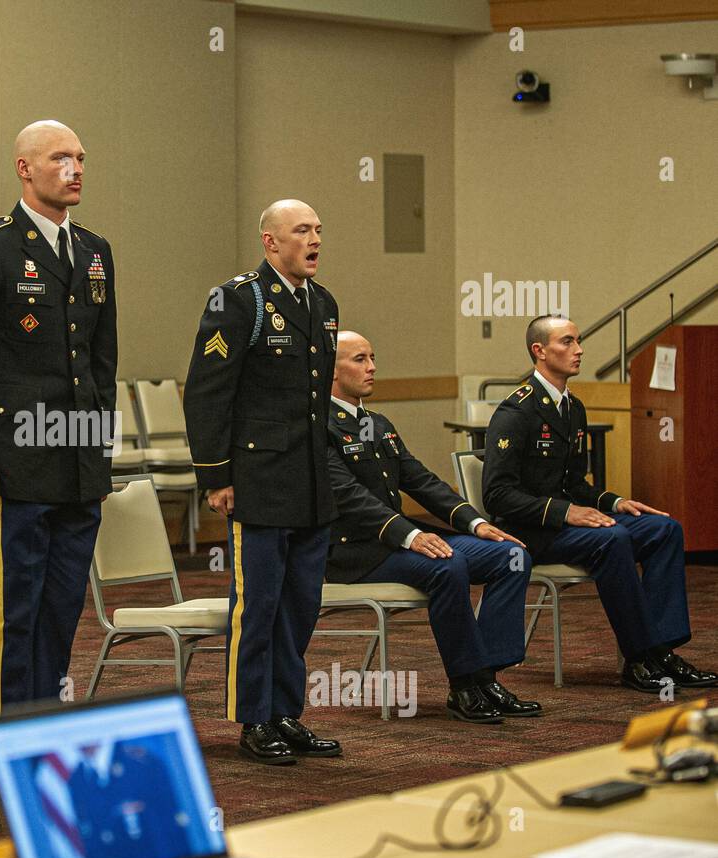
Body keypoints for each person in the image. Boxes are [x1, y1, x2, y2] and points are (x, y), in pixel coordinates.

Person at [0, 121, 118, 715]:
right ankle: (12, 738)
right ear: (25, 169)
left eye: (81, 158)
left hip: (78, 463)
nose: (76, 168)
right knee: (19, 609)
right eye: (61, 158)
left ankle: (47, 726)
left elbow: (101, 362)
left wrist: (99, 445)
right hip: (17, 464)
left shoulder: (93, 250)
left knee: (63, 609)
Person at [182, 199, 341, 765]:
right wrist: (215, 475)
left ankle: (286, 712)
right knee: (259, 607)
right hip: (259, 479)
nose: (314, 240)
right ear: (271, 242)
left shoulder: (322, 303)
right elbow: (207, 390)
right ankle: (254, 717)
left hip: (310, 482)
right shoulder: (240, 298)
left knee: (300, 606)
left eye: (318, 230)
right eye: (302, 231)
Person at [482, 315, 716, 693]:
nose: (579, 350)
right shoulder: (516, 411)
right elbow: (497, 495)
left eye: (579, 341)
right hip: (530, 532)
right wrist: (566, 512)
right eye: (568, 342)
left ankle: (663, 650)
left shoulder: (573, 408)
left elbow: (574, 482)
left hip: (566, 523)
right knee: (613, 539)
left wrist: (615, 501)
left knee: (664, 529)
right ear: (539, 352)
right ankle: (639, 659)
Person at [327, 331, 540, 723]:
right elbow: (348, 495)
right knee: (448, 566)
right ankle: (464, 685)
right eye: (360, 359)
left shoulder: (378, 422)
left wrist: (474, 522)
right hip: (354, 551)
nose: (372, 367)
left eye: (373, 357)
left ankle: (486, 677)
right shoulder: (317, 426)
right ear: (329, 367)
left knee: (511, 555)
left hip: (397, 541)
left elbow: (420, 480)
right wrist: (411, 534)